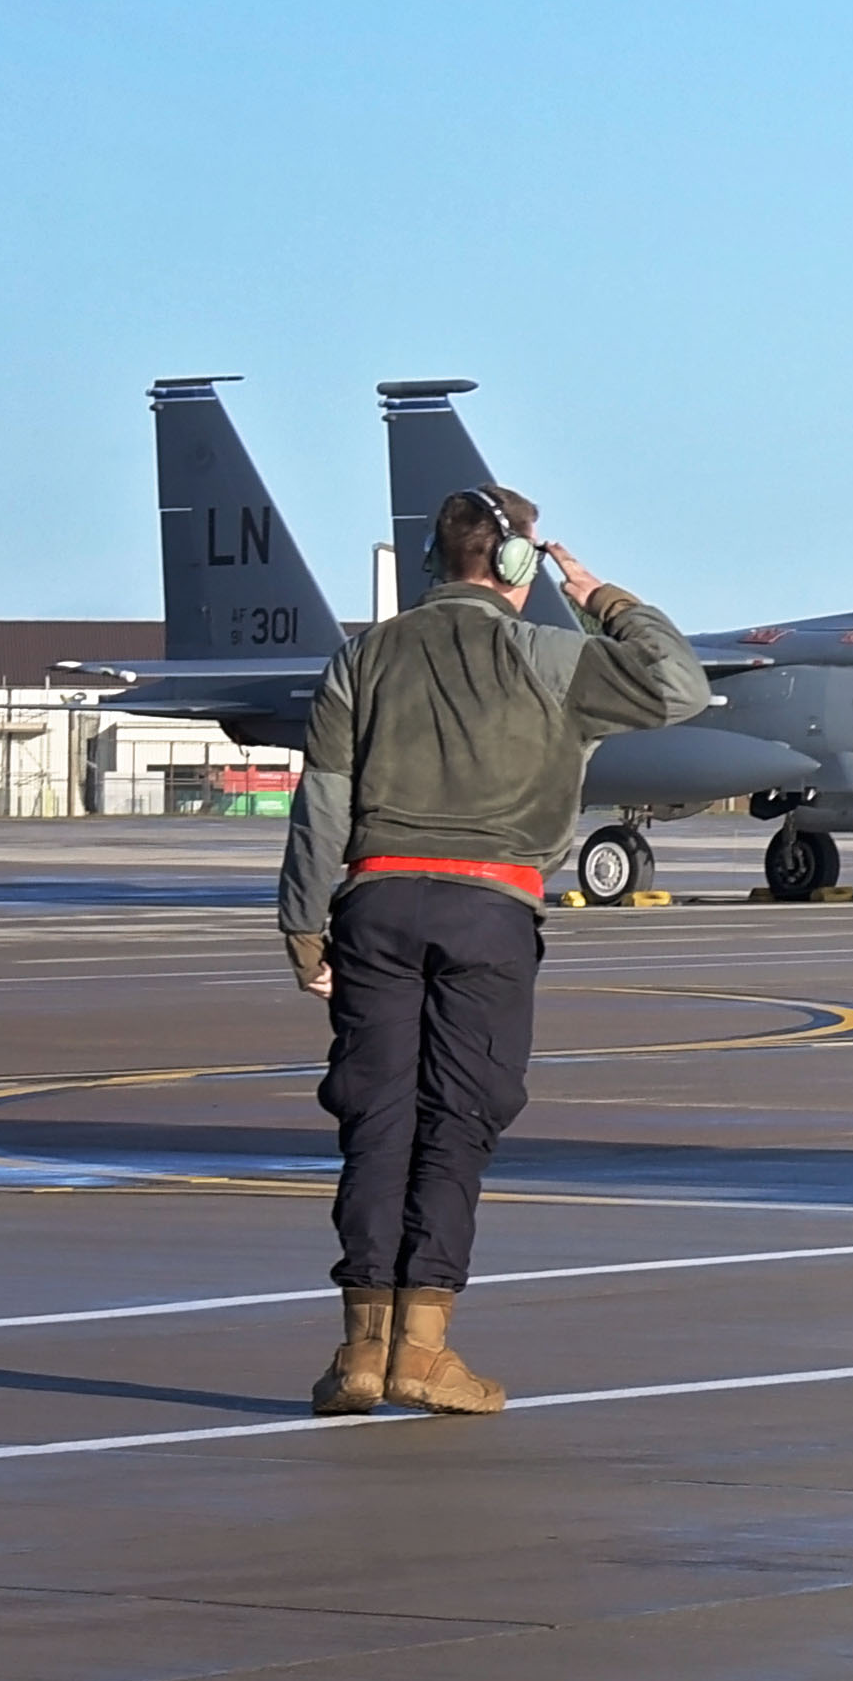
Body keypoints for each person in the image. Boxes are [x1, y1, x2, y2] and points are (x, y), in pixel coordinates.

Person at [273, 485, 710, 1418]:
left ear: (435, 560)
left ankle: (361, 1349)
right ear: (515, 562)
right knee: (457, 1121)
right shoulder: (550, 654)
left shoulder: (363, 655)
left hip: (376, 903)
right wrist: (600, 595)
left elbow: (323, 800)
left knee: (375, 1119)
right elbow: (679, 684)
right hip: (490, 910)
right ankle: (424, 1350)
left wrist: (304, 927)